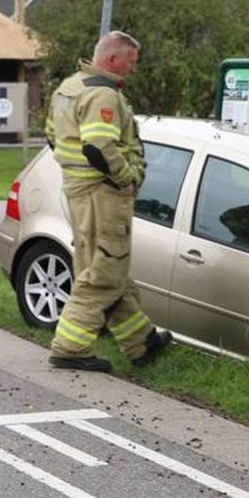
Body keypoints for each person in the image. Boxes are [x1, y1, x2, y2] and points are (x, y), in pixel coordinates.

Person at [43, 31, 171, 372]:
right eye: (131, 61)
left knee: (108, 270)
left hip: (80, 192)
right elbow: (98, 146)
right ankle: (69, 347)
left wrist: (76, 175)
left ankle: (141, 343)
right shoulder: (103, 94)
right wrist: (126, 178)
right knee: (104, 275)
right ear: (113, 59)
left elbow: (52, 137)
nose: (133, 68)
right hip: (104, 194)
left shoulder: (69, 87)